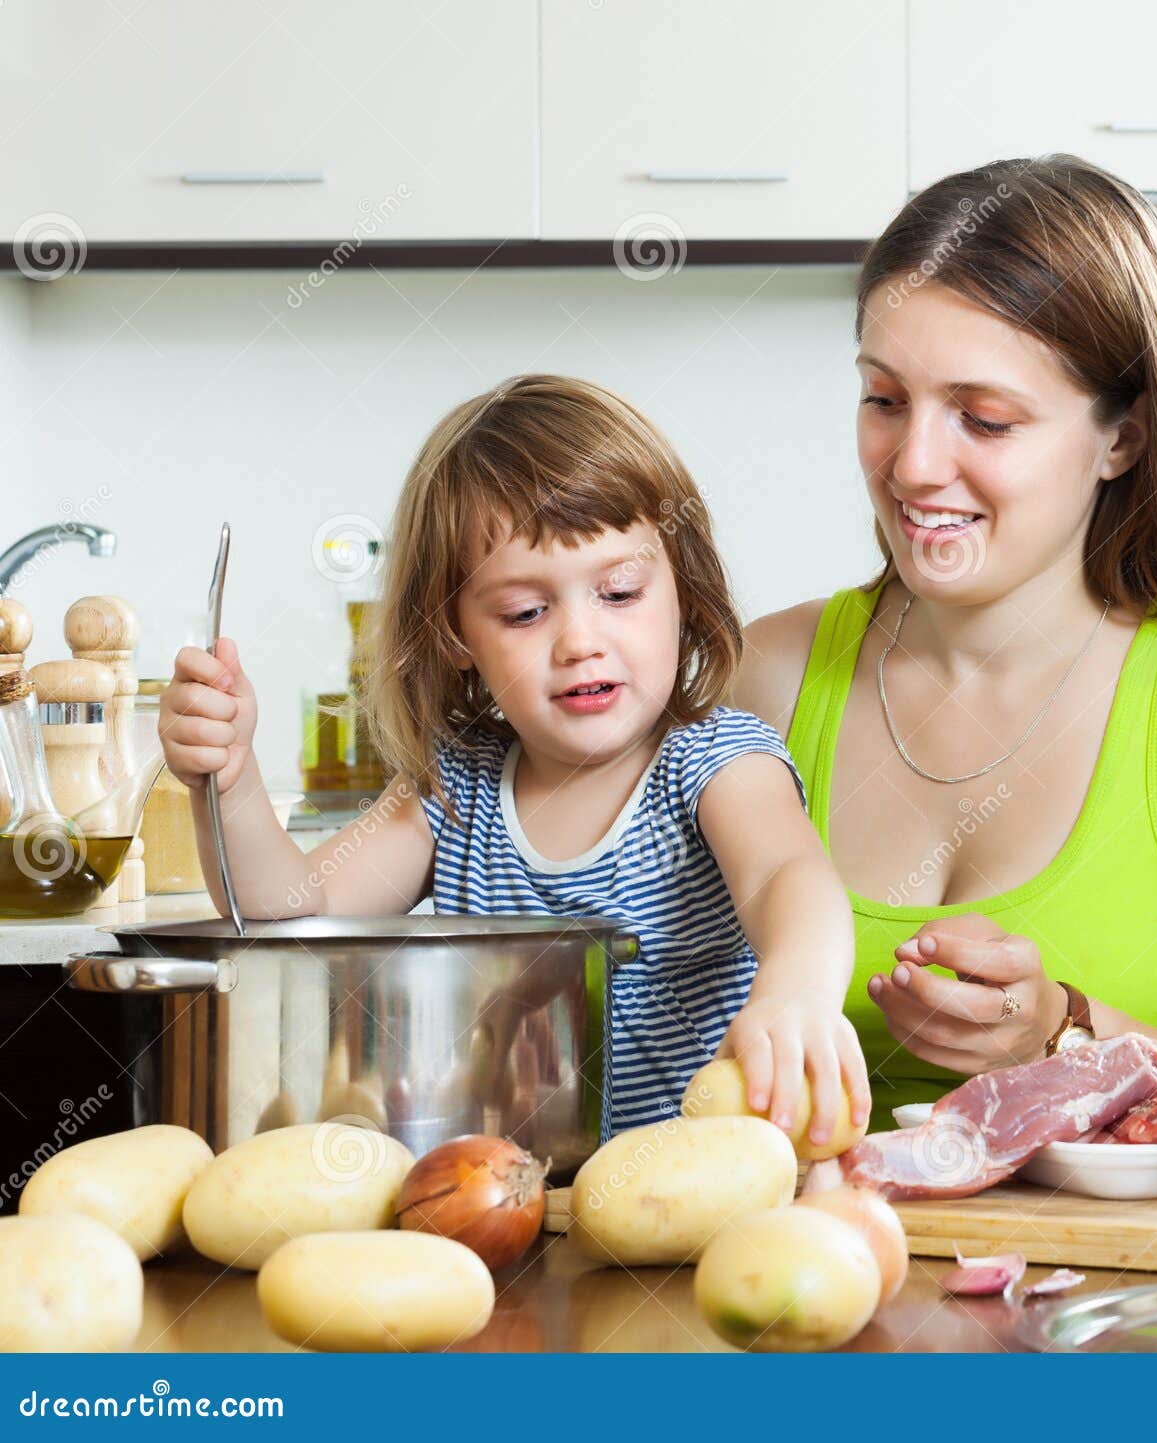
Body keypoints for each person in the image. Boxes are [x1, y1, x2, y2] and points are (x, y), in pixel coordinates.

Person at [736, 156, 1157, 1123]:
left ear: (1120, 438)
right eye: (885, 399)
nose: (914, 463)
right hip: (808, 1272)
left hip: (1139, 1275)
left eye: (986, 418)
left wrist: (1069, 1033)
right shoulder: (766, 679)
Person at [159, 374, 868, 1142]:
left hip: (697, 1200)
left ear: (683, 591)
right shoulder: (457, 787)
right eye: (526, 612)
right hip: (508, 1211)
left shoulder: (714, 762)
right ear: (456, 634)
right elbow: (293, 913)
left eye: (620, 592)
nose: (579, 640)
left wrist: (796, 992)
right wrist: (228, 782)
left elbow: (787, 880)